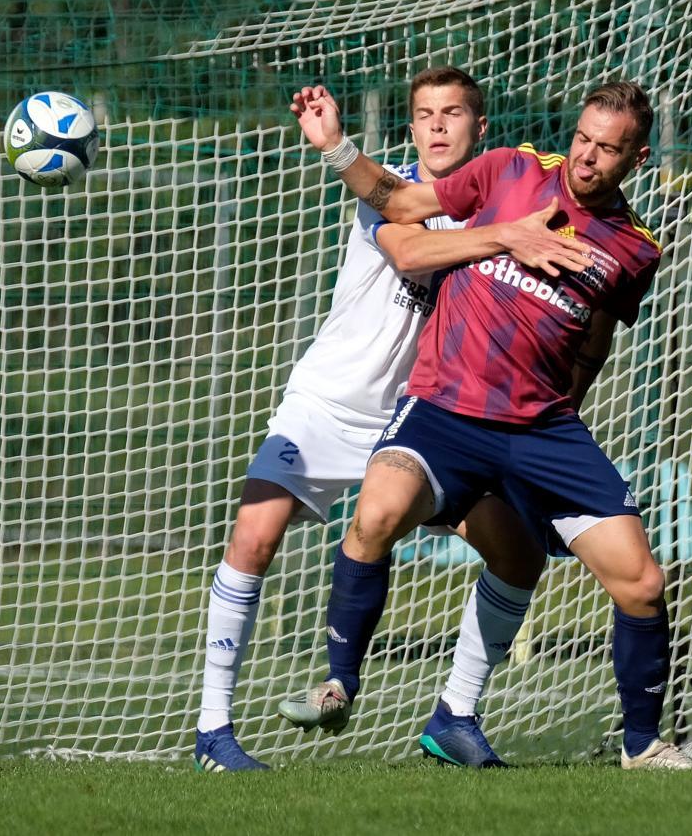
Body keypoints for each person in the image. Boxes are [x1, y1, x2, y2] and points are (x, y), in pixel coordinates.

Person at [279, 80, 692, 770]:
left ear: (639, 157)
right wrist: (335, 147)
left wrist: (566, 406)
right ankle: (339, 683)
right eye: (584, 138)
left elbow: (593, 341)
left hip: (543, 428)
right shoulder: (511, 170)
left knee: (641, 581)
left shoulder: (634, 250)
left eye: (608, 149)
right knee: (377, 511)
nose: (587, 157)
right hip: (446, 408)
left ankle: (641, 744)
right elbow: (400, 201)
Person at [192, 67, 592, 772]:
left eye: (454, 113)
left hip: (420, 422)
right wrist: (506, 236)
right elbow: (411, 250)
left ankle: (456, 715)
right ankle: (213, 732)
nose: (438, 126)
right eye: (425, 114)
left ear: (482, 129)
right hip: (327, 403)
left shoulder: (502, 205)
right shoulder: (391, 191)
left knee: (520, 551)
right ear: (410, 129)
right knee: (253, 535)